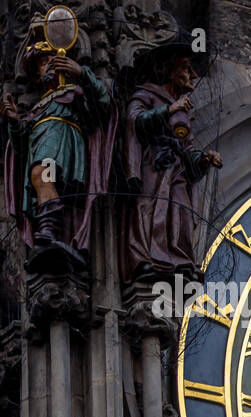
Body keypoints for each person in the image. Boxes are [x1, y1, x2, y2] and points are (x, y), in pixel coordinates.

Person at [2, 41, 114, 258]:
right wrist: (15, 122)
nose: (51, 64)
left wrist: (82, 73)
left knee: (41, 173)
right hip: (41, 148)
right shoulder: (37, 108)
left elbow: (102, 104)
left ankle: (50, 229)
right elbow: (21, 149)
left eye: (54, 59)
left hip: (64, 143)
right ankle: (49, 231)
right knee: (41, 177)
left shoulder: (75, 93)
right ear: (37, 75)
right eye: (44, 62)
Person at [121, 44, 222, 281]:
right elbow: (134, 121)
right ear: (168, 71)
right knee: (149, 206)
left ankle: (178, 259)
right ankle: (144, 258)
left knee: (181, 210)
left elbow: (189, 150)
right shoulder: (146, 94)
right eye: (187, 68)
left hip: (177, 169)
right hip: (153, 161)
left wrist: (205, 159)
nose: (194, 76)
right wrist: (167, 110)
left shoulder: (185, 112)